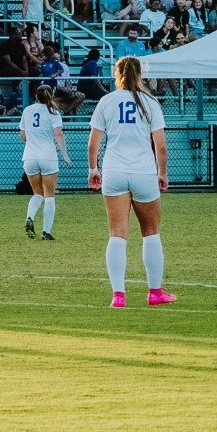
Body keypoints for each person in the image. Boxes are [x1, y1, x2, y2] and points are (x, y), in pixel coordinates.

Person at [87, 56, 174, 308]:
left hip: (114, 172)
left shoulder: (107, 101)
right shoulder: (150, 103)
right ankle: (155, 292)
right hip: (143, 172)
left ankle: (118, 295)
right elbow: (161, 146)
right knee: (150, 232)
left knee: (117, 234)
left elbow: (93, 144)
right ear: (140, 74)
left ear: (117, 74)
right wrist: (163, 173)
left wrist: (94, 169)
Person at [20, 85, 71, 238]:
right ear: (52, 95)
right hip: (48, 156)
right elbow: (58, 134)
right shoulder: (53, 112)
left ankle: (30, 217)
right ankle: (46, 232)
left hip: (29, 156)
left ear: (36, 96)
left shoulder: (27, 111)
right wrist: (64, 155)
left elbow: (23, 136)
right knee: (49, 196)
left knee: (37, 194)